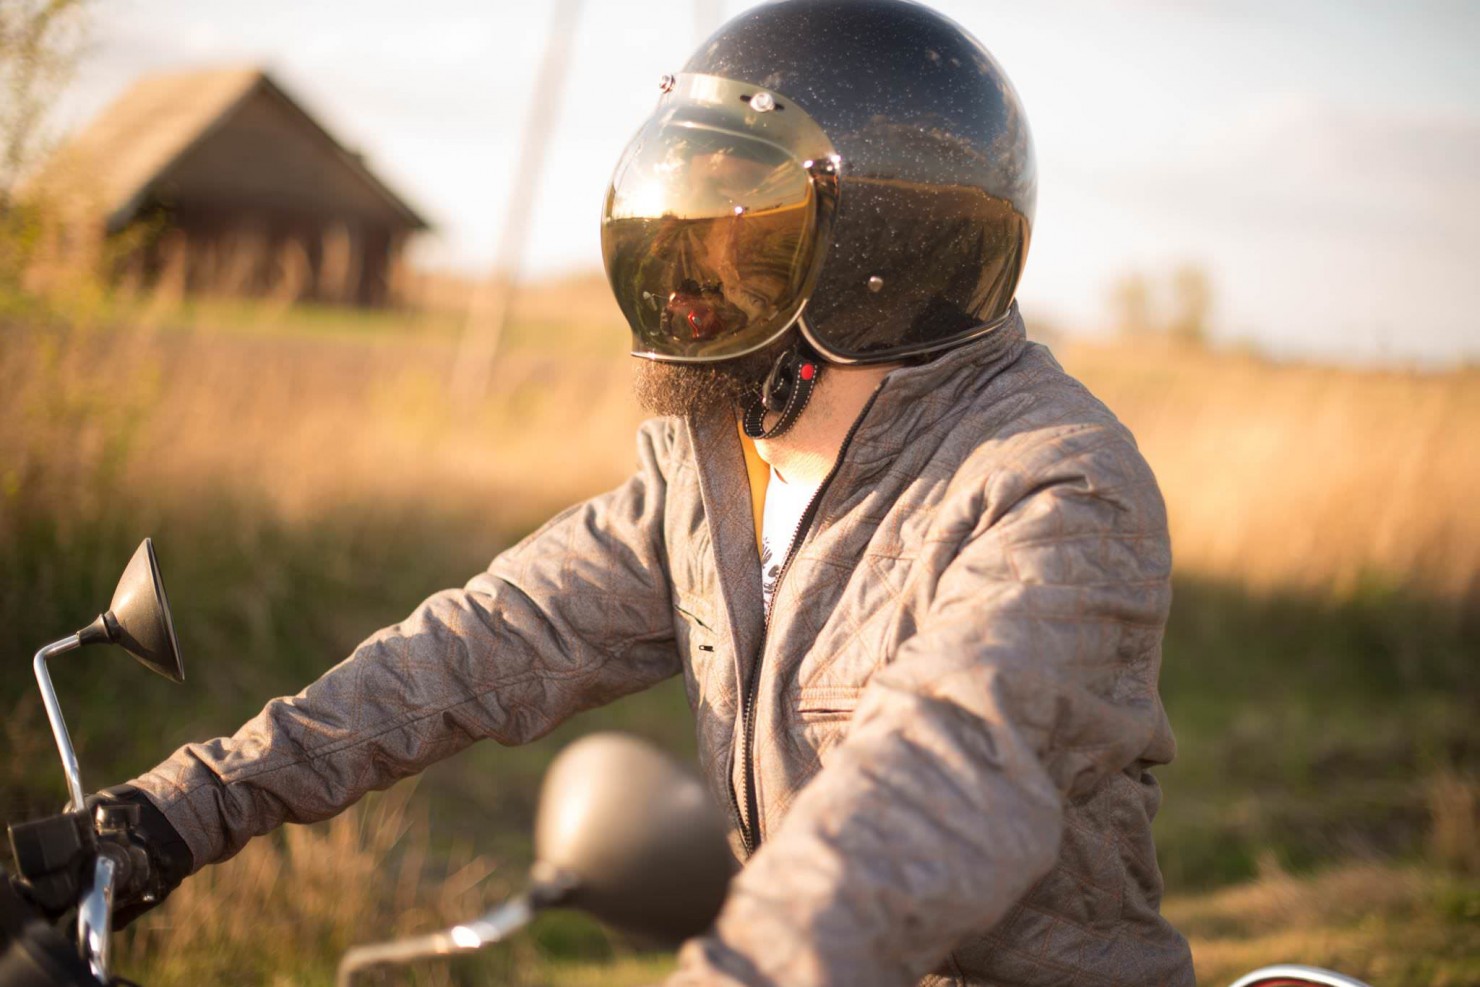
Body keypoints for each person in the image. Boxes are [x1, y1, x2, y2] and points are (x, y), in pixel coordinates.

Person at [94, 1, 1197, 983]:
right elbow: (482, 644)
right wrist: (172, 815)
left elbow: (940, 781)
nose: (683, 269)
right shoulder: (715, 458)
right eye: (680, 217)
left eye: (736, 233)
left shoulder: (1054, 489)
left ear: (879, 255)